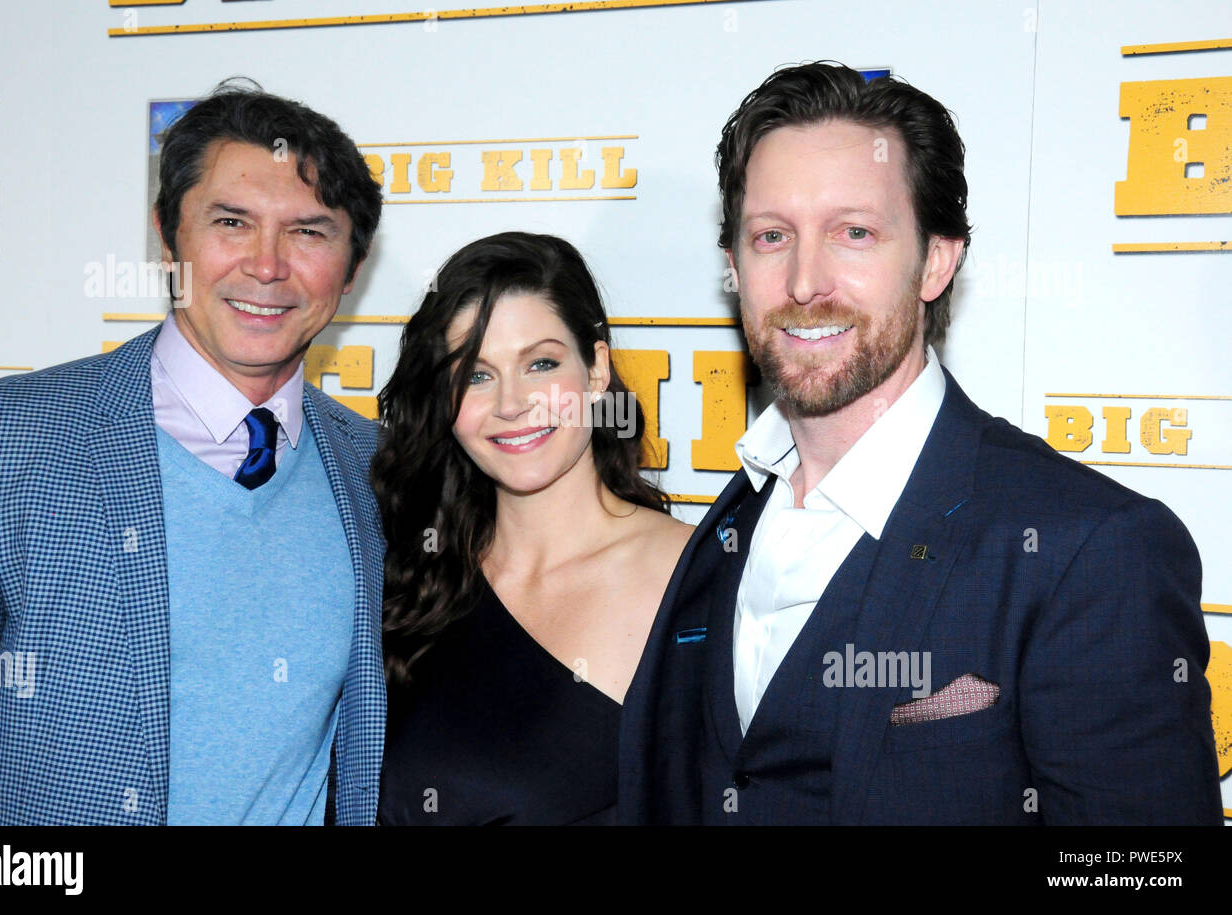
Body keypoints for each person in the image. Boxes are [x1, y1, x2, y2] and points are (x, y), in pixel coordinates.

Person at [617, 62, 1223, 825]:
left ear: (937, 260)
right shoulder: (728, 522)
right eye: (772, 236)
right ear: (734, 265)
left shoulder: (1087, 550)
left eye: (855, 233)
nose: (806, 281)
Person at [0, 81, 387, 824]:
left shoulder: (378, 470)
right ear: (166, 235)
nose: (267, 265)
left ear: (352, 265)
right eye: (231, 222)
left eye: (309, 231)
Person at [373, 231, 692, 825]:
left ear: (596, 370)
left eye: (540, 363)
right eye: (476, 374)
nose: (512, 403)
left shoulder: (693, 581)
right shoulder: (410, 574)